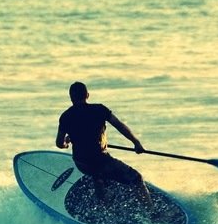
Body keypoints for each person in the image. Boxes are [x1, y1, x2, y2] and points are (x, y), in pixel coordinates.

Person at [55, 81, 158, 216]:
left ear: (71, 98)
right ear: (87, 95)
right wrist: (136, 143)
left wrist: (67, 143)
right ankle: (152, 214)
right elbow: (119, 126)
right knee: (137, 179)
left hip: (82, 164)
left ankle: (103, 198)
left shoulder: (65, 116)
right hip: (101, 161)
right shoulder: (99, 110)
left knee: (95, 170)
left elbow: (59, 143)